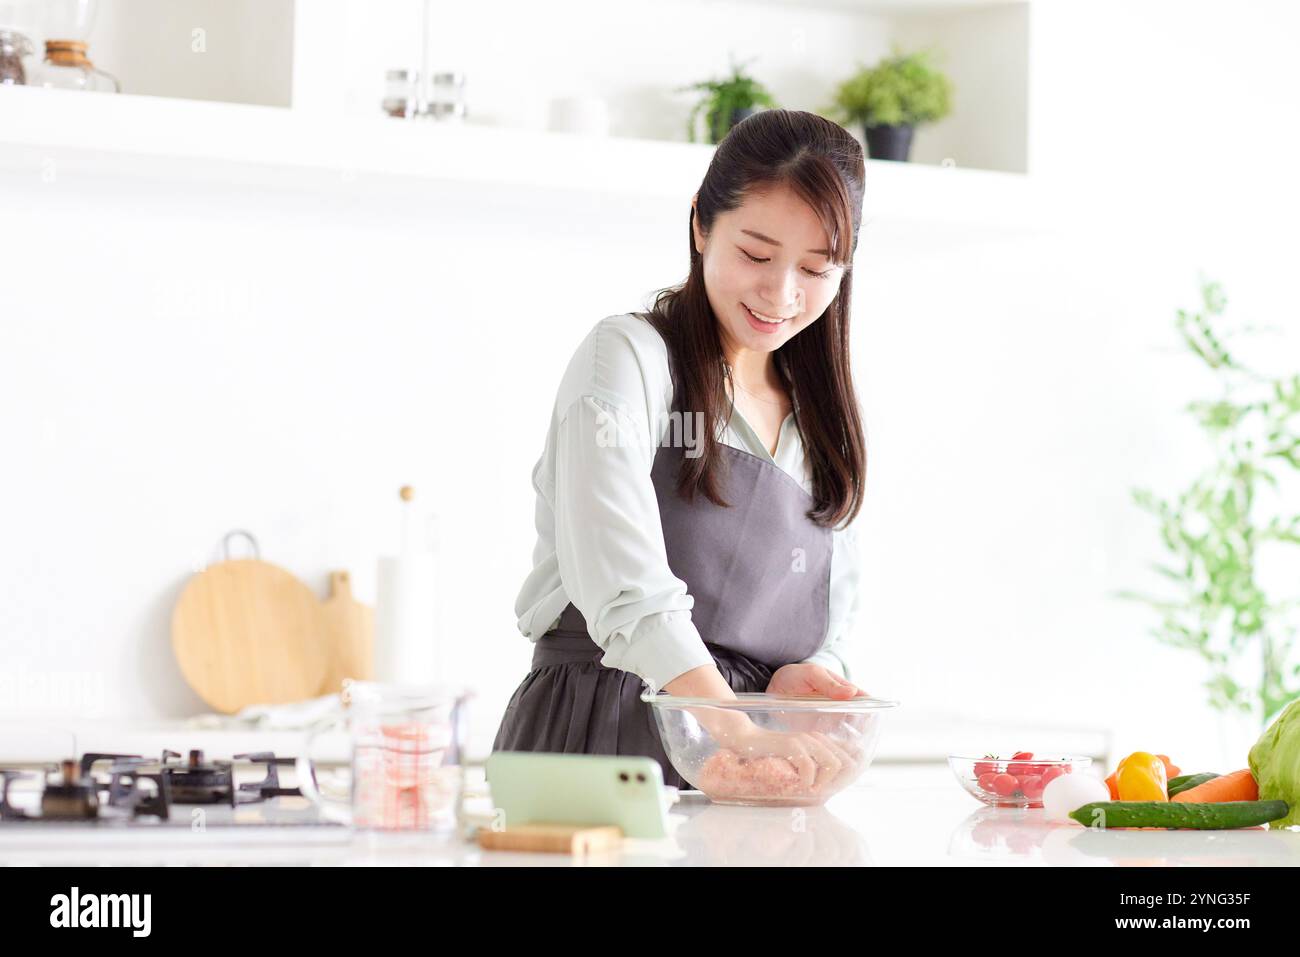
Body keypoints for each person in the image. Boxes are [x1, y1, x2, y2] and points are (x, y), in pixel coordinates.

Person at [493, 109, 869, 792]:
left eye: (816, 268)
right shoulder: (628, 360)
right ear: (700, 223)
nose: (781, 294)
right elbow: (621, 578)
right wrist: (731, 725)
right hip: (607, 732)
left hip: (747, 754)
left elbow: (832, 613)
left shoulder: (821, 420)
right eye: (756, 254)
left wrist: (802, 677)